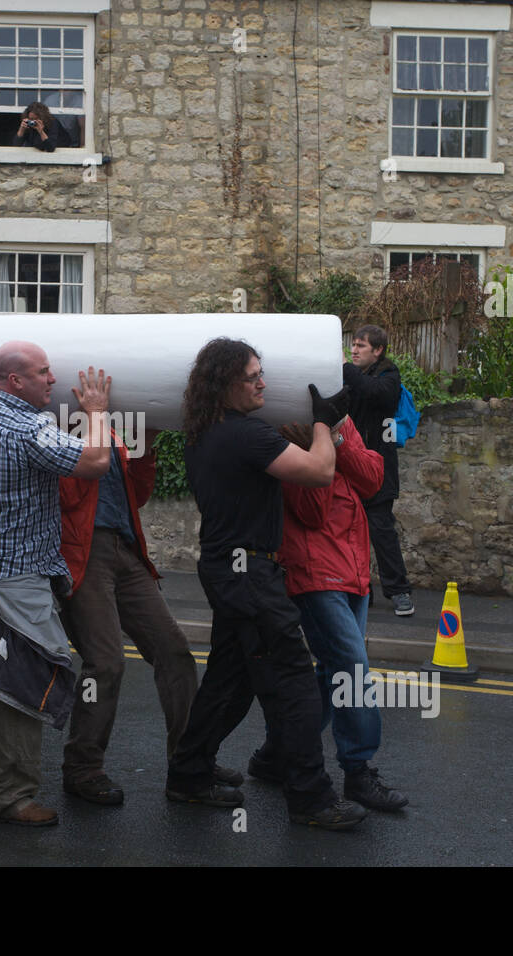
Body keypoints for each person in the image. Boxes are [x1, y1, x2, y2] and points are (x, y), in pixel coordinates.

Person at [164, 337, 367, 830]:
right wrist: (323, 422)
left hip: (226, 567)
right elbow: (320, 472)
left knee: (230, 680)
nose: (263, 382)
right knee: (295, 679)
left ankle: (189, 774)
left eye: (262, 373)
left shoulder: (203, 433)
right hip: (250, 573)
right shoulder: (247, 436)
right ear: (225, 384)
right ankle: (311, 799)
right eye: (252, 376)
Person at [0, 342, 111, 827]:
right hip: (15, 582)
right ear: (15, 380)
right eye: (43, 372)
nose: (53, 379)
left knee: (0, 678)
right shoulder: (28, 428)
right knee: (28, 683)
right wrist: (96, 411)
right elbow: (96, 462)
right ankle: (9, 795)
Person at [58, 427, 241, 805]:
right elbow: (67, 497)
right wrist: (91, 432)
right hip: (84, 552)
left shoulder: (108, 432)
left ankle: (189, 763)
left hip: (126, 551)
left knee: (174, 653)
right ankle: (83, 768)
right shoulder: (59, 429)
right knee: (105, 664)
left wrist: (145, 448)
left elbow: (136, 496)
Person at [247, 414, 409, 813]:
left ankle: (277, 752)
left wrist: (333, 436)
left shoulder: (338, 421)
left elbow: (373, 478)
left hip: (353, 569)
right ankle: (357, 771)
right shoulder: (282, 430)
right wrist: (314, 448)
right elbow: (312, 511)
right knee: (351, 670)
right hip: (314, 571)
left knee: (329, 672)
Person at [343, 324, 415, 616]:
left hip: (380, 466)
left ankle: (399, 592)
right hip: (354, 464)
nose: (354, 350)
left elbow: (378, 396)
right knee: (350, 529)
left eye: (361, 346)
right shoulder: (352, 377)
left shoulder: (389, 376)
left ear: (378, 350)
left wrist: (346, 370)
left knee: (381, 529)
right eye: (353, 345)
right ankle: (361, 590)